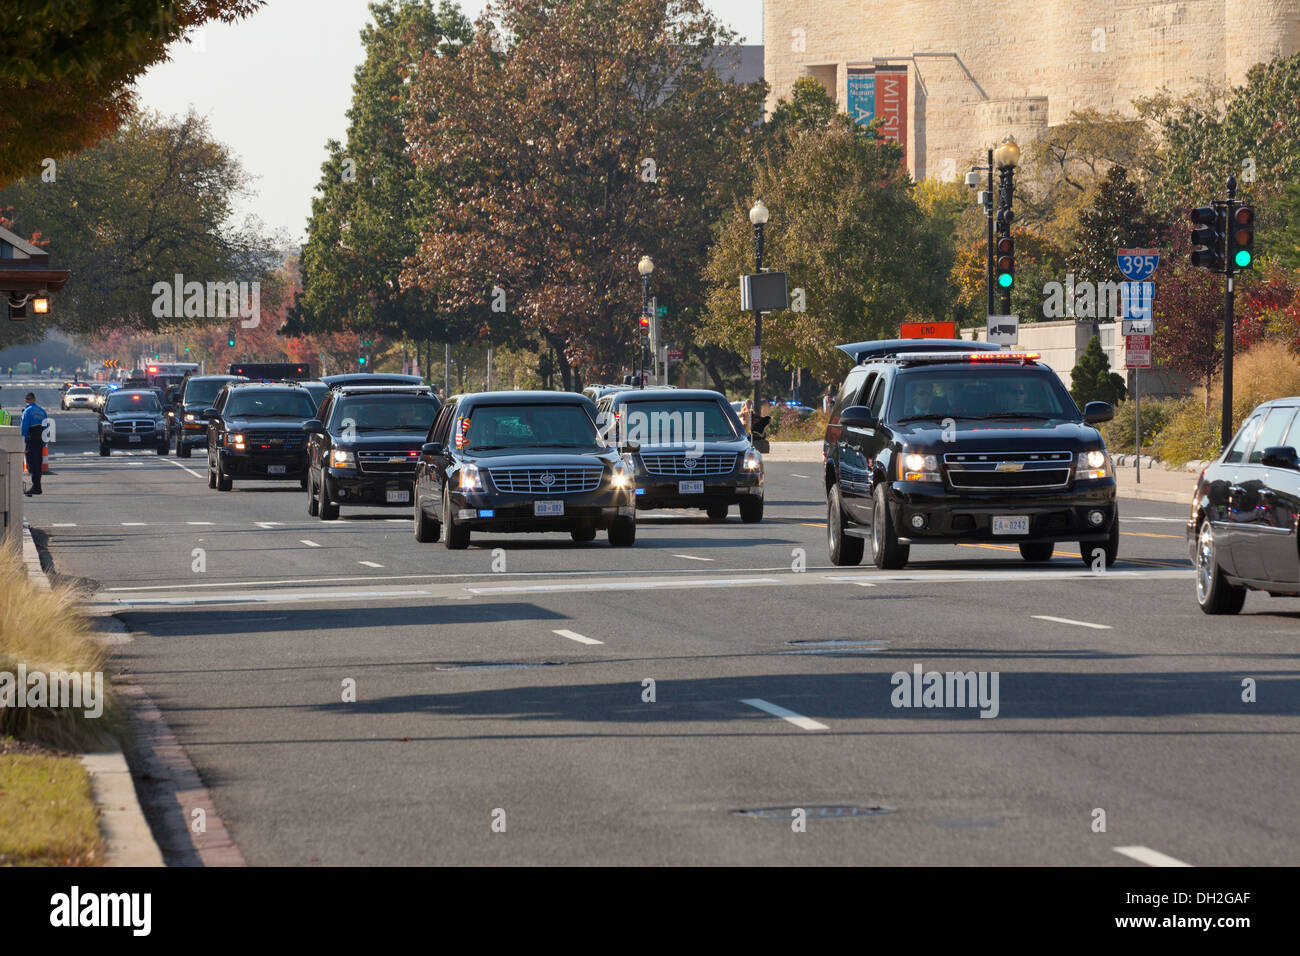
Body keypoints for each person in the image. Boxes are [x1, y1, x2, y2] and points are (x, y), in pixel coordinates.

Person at [20, 392, 46, 496]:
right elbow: (46, 426)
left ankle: (36, 487)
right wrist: (45, 441)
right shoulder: (42, 411)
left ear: (26, 400)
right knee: (38, 463)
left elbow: (24, 428)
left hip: (31, 439)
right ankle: (37, 486)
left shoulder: (27, 411)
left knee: (31, 463)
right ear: (34, 399)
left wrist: (21, 438)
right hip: (40, 439)